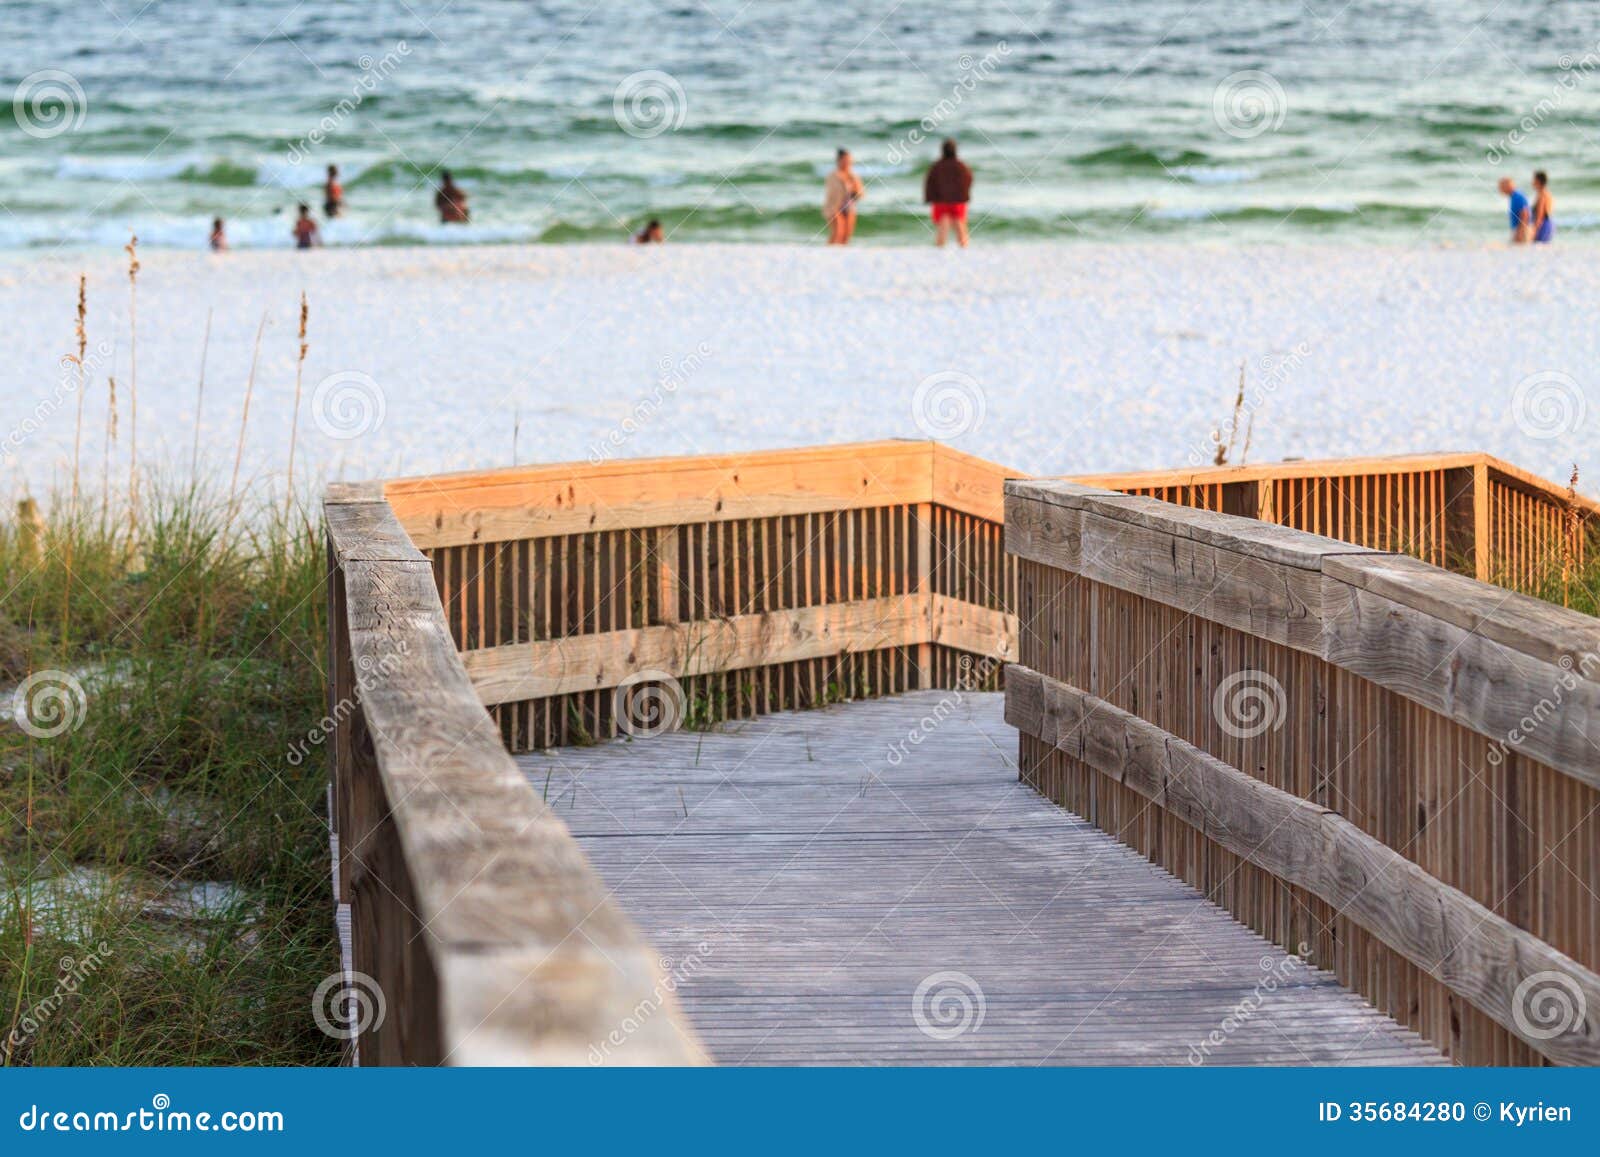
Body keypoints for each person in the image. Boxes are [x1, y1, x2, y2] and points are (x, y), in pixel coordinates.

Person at [924, 138, 973, 248]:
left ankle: (940, 251)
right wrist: (965, 195)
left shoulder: (936, 166)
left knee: (942, 228)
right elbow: (969, 179)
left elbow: (929, 183)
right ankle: (964, 250)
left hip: (941, 202)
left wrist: (929, 198)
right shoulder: (961, 166)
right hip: (958, 202)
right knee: (961, 228)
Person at [822, 149, 864, 245]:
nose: (848, 162)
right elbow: (832, 194)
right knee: (837, 232)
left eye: (849, 160)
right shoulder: (832, 176)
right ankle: (827, 252)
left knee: (846, 236)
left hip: (850, 207)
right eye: (845, 160)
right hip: (834, 207)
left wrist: (855, 192)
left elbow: (861, 193)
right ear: (839, 161)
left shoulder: (853, 176)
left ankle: (839, 253)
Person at [1499, 177, 1531, 243]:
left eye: (1501, 187)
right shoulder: (1514, 196)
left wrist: (1520, 232)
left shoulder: (1517, 196)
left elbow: (1525, 214)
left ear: (1507, 186)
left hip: (1521, 230)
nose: (1500, 190)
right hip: (1519, 229)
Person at [1531, 170, 1554, 244]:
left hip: (1543, 225)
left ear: (1538, 181)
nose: (1532, 182)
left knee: (1537, 246)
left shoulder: (1542, 195)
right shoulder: (1547, 193)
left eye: (1533, 180)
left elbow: (1540, 215)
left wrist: (1534, 230)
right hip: (1548, 223)